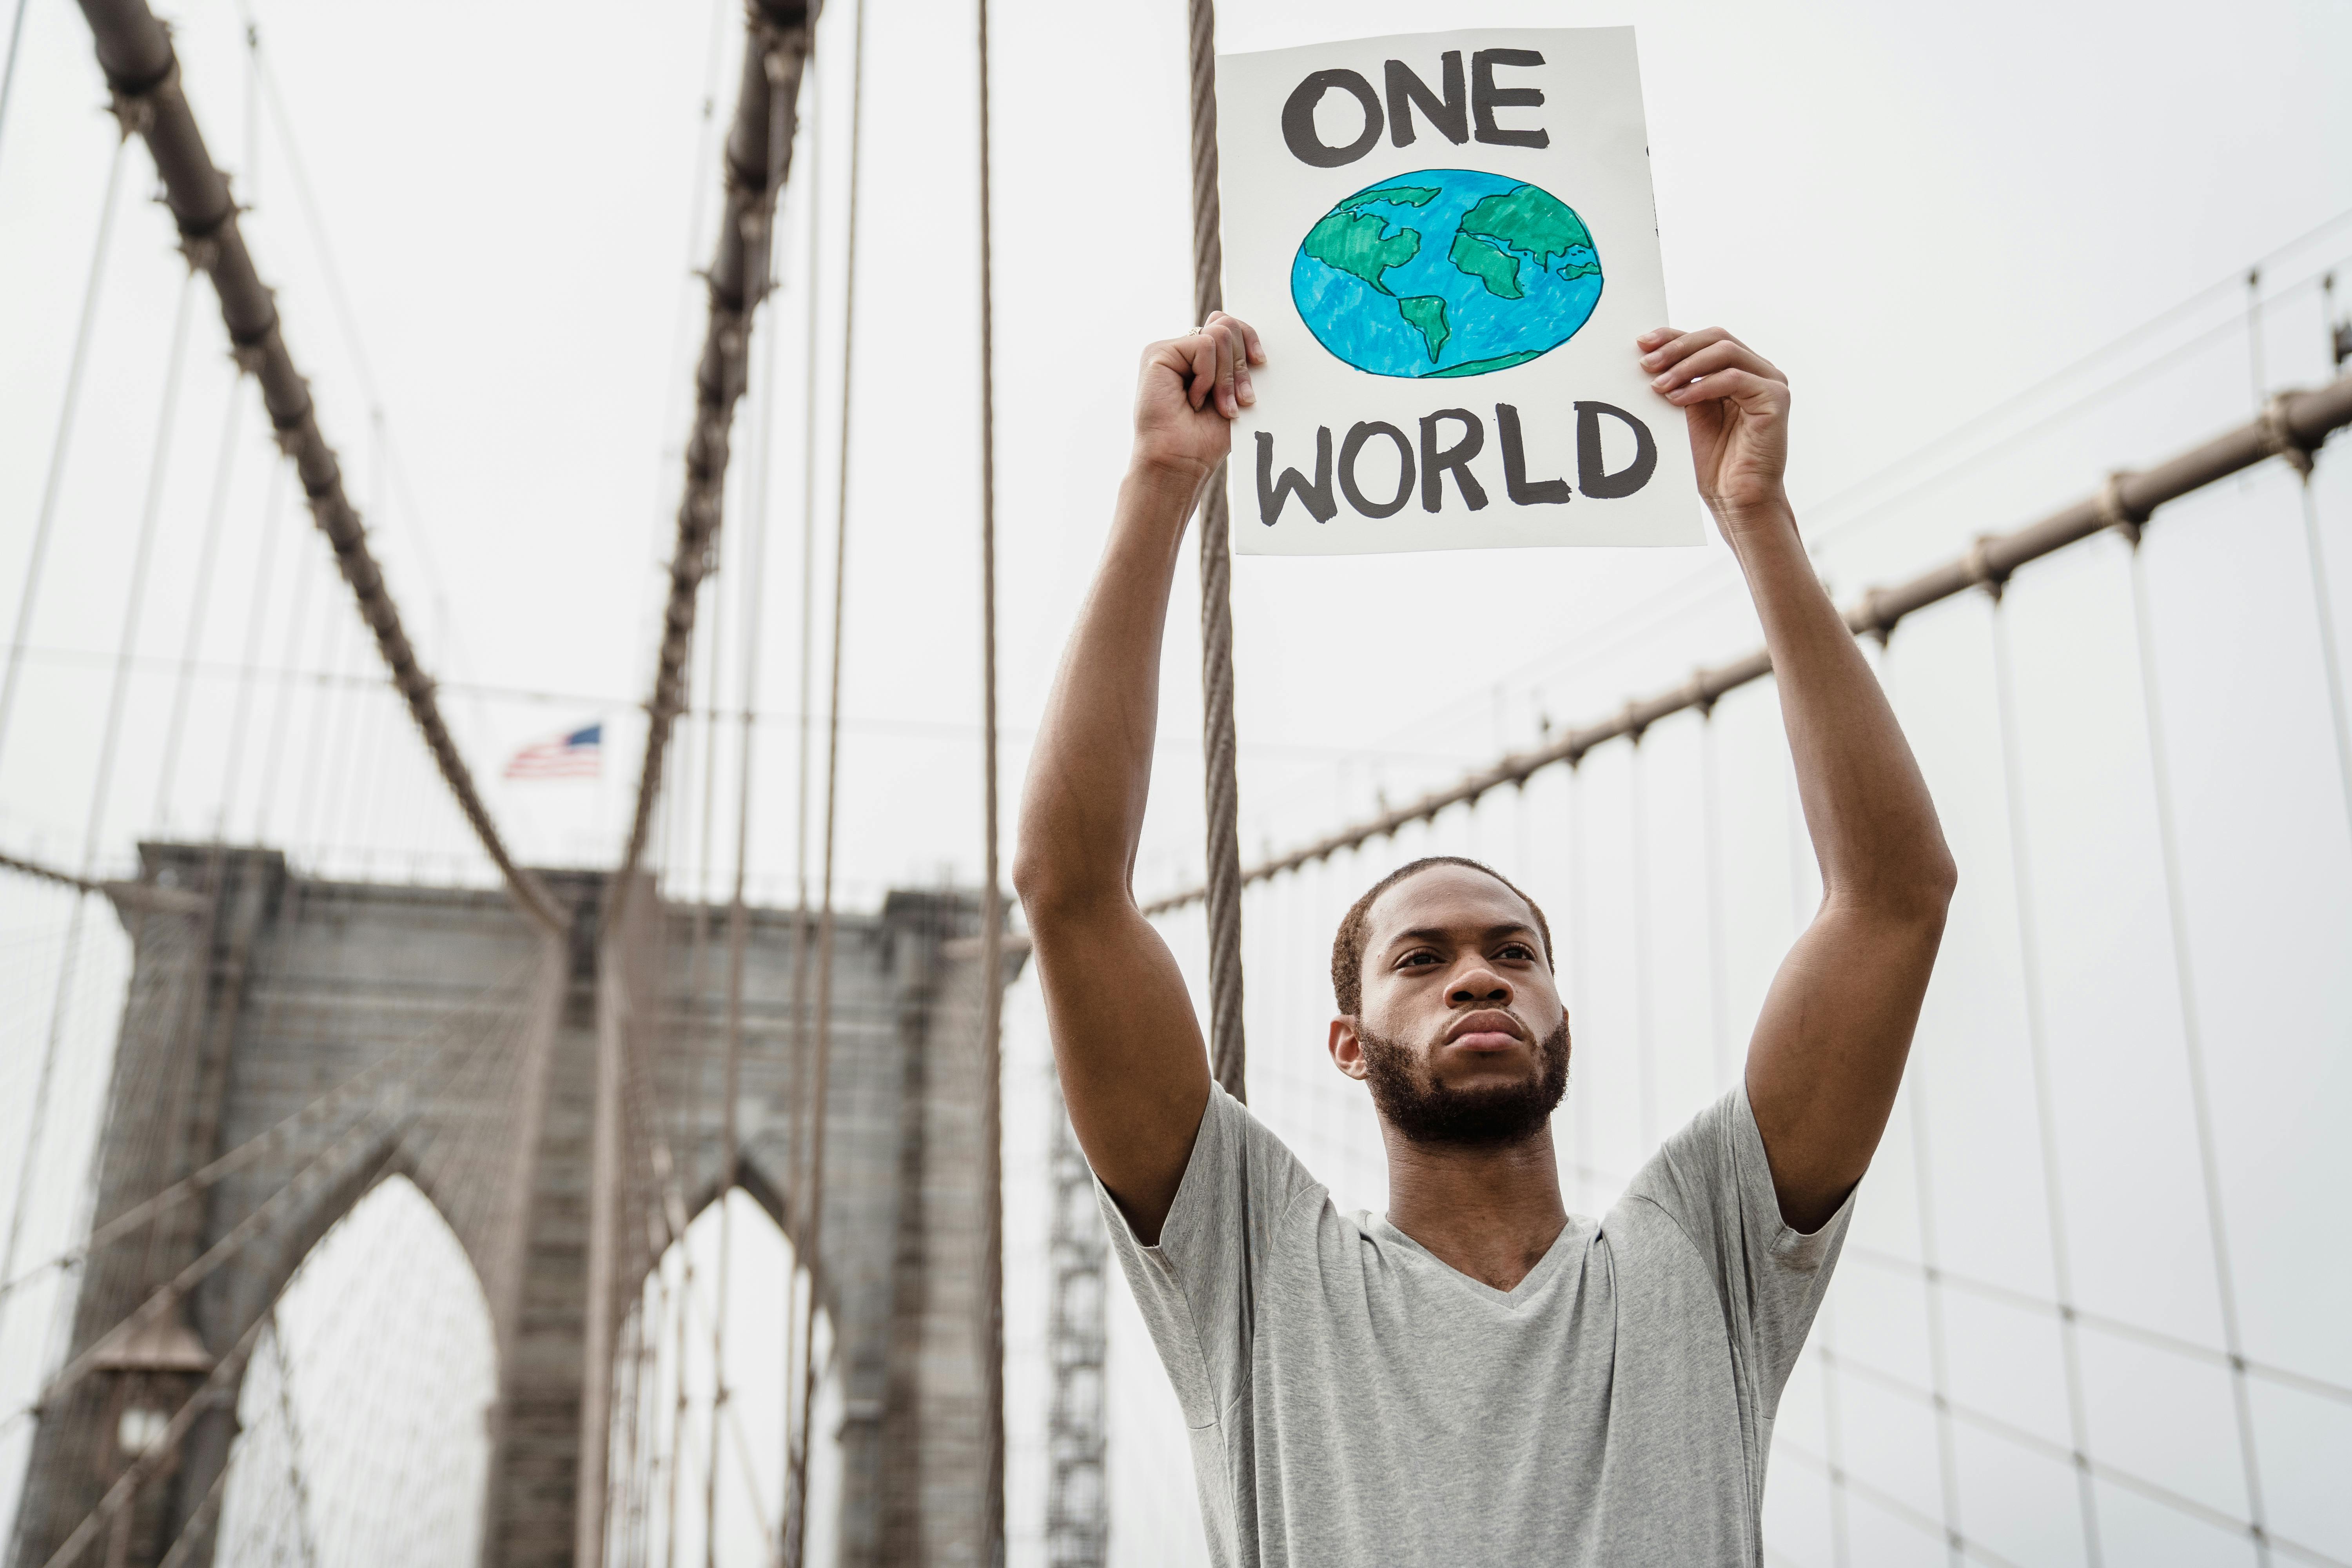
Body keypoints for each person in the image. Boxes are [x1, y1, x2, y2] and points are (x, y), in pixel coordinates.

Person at [1013, 313, 1957, 1566]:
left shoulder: (1704, 1253)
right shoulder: (1255, 1264)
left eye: (1516, 955)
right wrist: (1160, 486)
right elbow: (1071, 891)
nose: (1478, 976)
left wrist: (1757, 522)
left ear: (1563, 1016)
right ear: (1347, 1045)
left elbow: (1894, 898)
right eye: (1423, 959)